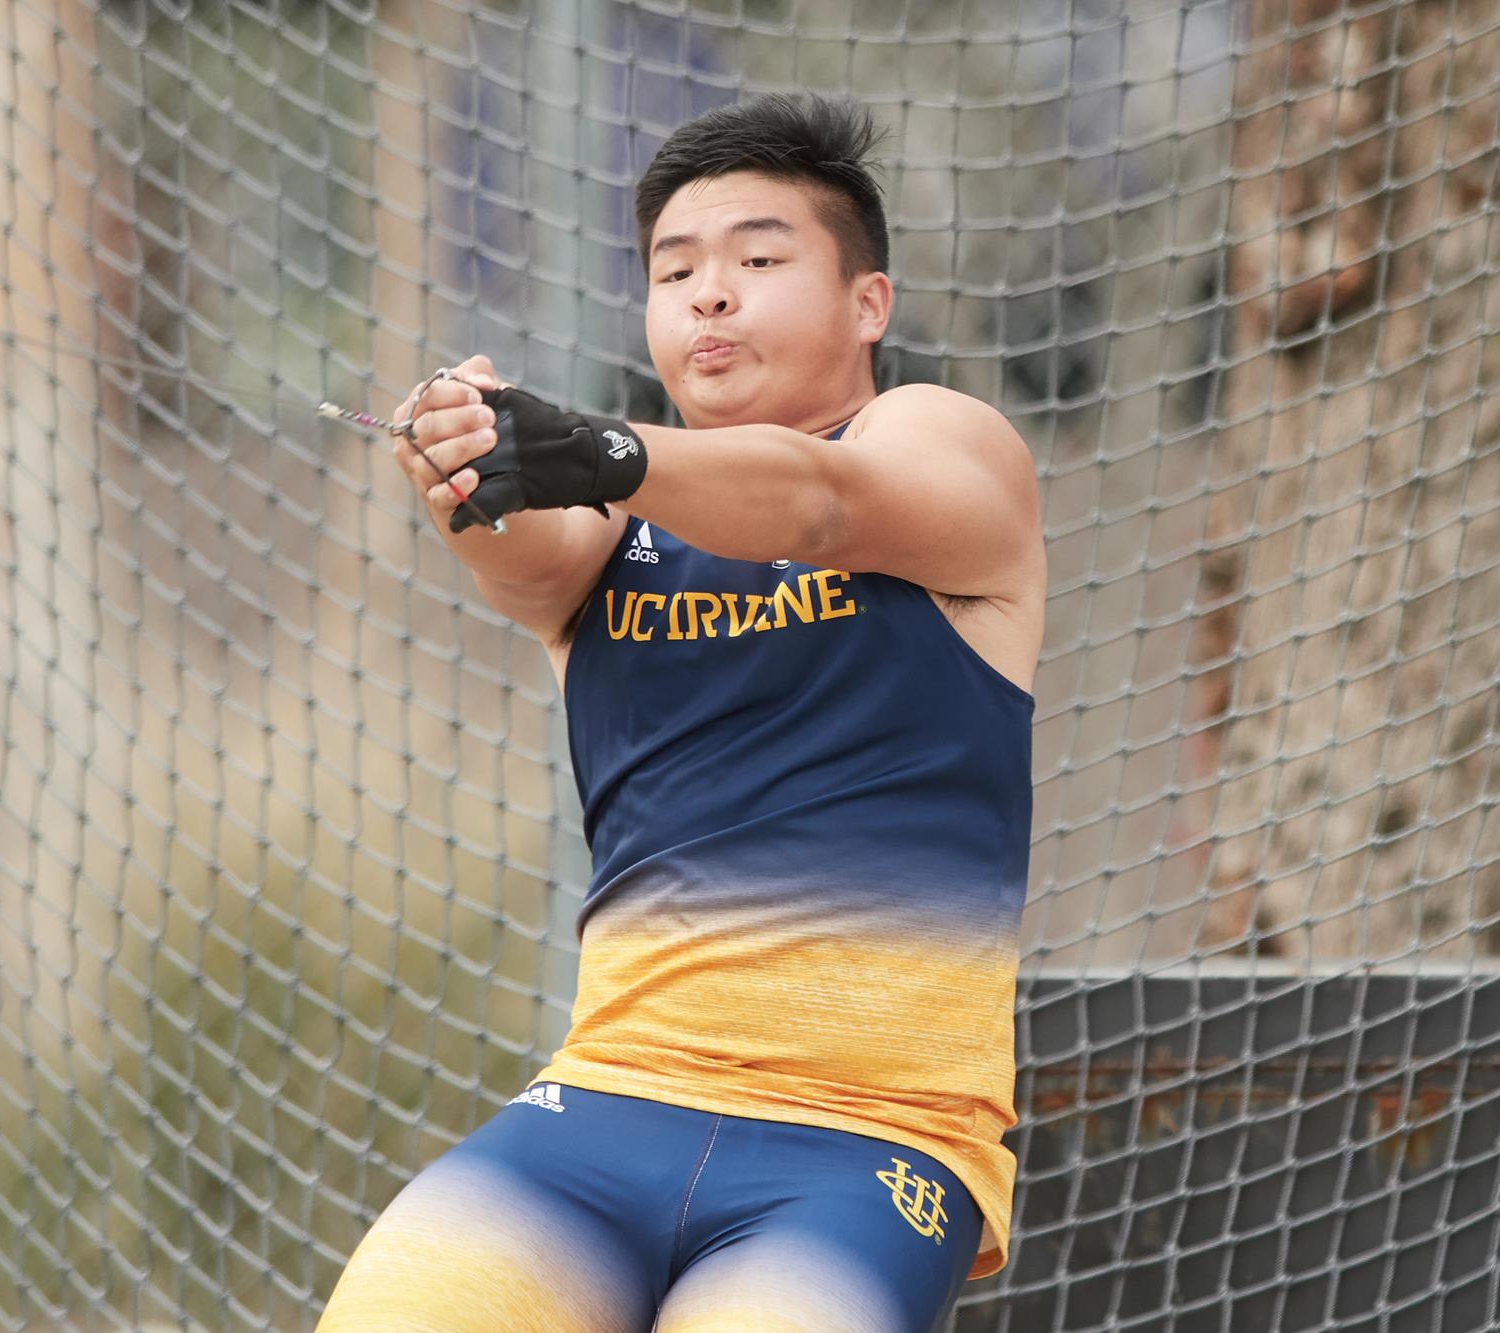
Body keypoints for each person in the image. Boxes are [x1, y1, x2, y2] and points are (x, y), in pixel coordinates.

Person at [318, 92, 1045, 1333]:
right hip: (602, 1108)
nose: (708, 294)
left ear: (867, 303)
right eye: (674, 271)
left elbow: (819, 502)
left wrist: (599, 449)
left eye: (757, 261)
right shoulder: (610, 531)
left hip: (869, 1140)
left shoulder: (937, 439)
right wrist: (461, 461)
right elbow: (525, 550)